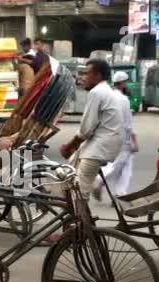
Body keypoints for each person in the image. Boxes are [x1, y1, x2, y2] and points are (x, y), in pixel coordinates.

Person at [59, 59, 123, 201]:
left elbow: (86, 130)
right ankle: (74, 217)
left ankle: (81, 222)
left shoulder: (97, 92)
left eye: (87, 73)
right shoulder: (105, 90)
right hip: (101, 144)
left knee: (80, 190)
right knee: (68, 172)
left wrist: (69, 146)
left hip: (99, 147)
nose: (83, 77)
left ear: (98, 76)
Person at [93, 71, 138, 201]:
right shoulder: (123, 100)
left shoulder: (108, 96)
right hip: (122, 137)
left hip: (108, 134)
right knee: (119, 163)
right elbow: (128, 123)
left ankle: (121, 192)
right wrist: (133, 140)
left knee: (125, 164)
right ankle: (100, 181)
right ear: (122, 83)